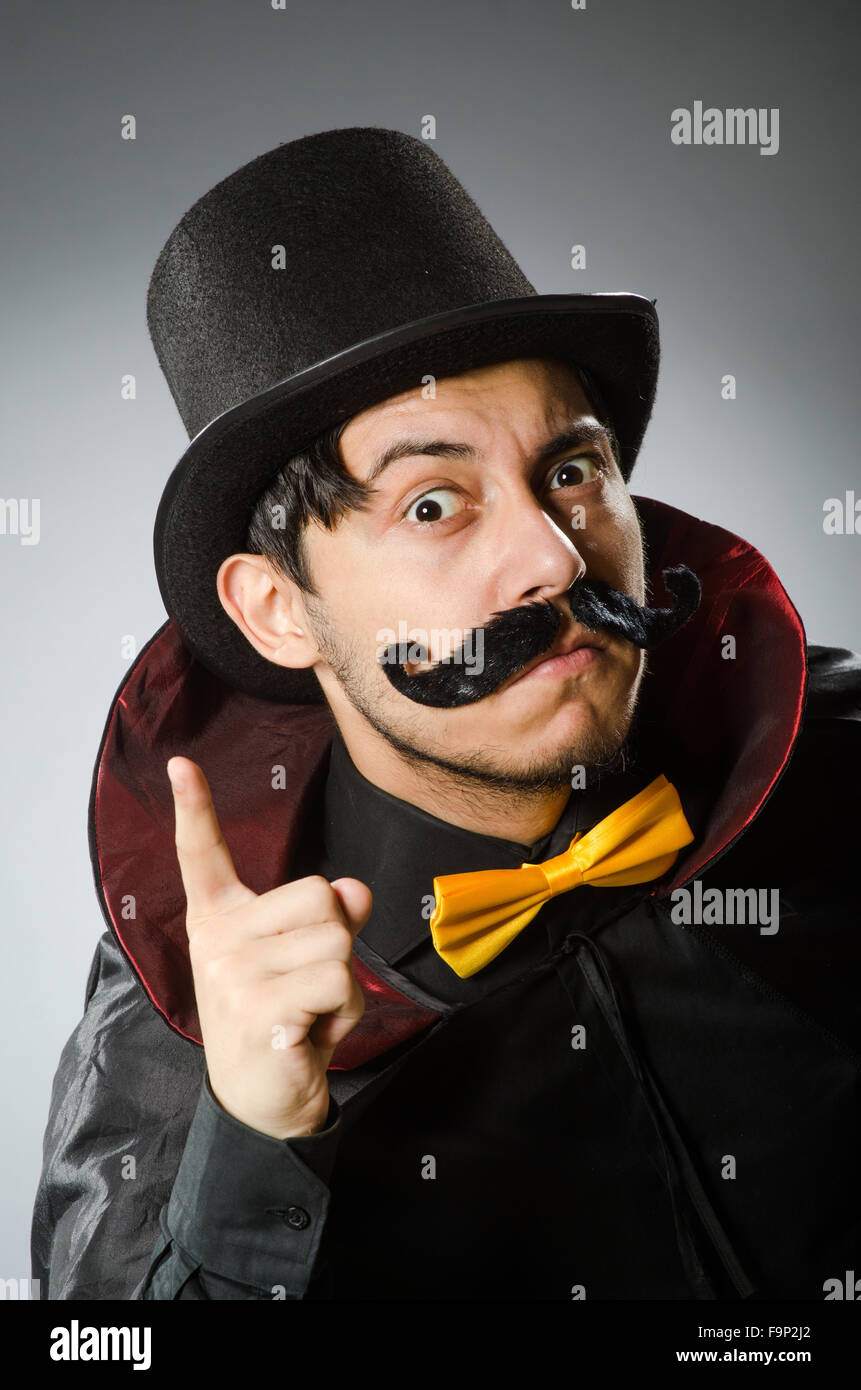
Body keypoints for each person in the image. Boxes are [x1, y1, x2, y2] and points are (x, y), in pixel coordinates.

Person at [32, 127, 860, 1301]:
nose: (549, 557)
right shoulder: (191, 1016)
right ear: (279, 610)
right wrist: (254, 1137)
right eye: (433, 503)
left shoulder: (834, 761)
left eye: (571, 471)